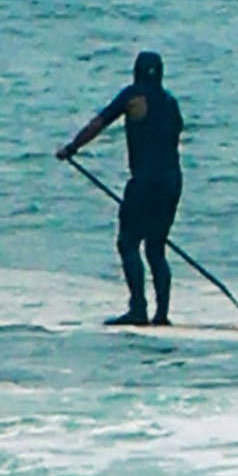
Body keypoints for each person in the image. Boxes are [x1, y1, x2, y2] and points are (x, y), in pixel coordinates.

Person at [58, 47, 186, 323]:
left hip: (145, 182)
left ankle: (138, 310)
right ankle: (162, 315)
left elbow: (98, 124)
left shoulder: (133, 96)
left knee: (128, 243)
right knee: (156, 248)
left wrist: (71, 148)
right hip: (172, 182)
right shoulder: (171, 102)